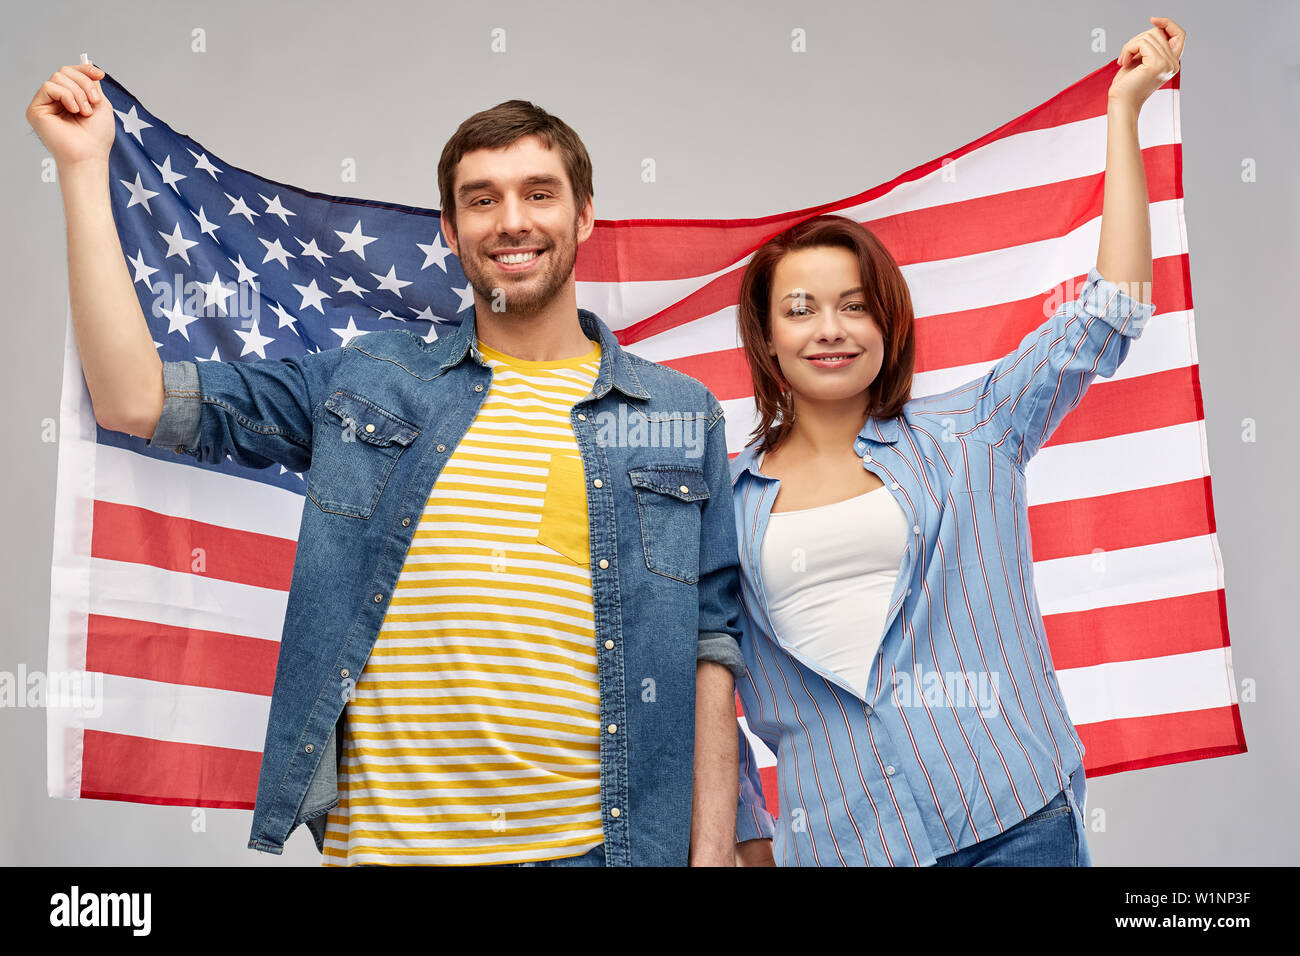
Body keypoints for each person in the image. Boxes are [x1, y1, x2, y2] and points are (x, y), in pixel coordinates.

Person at [26, 70, 745, 865]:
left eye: (539, 193)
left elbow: (710, 656)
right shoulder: (367, 379)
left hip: (598, 851)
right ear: (449, 226)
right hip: (390, 852)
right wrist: (84, 166)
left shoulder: (676, 413)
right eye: (482, 199)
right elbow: (137, 400)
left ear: (584, 214)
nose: (512, 222)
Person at [731, 16, 1185, 866]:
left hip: (1014, 820)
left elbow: (1112, 309)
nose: (829, 330)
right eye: (799, 310)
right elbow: (705, 691)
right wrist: (751, 850)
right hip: (842, 848)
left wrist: (1124, 112)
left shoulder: (976, 428)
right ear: (765, 336)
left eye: (854, 304)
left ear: (888, 320)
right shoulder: (718, 504)